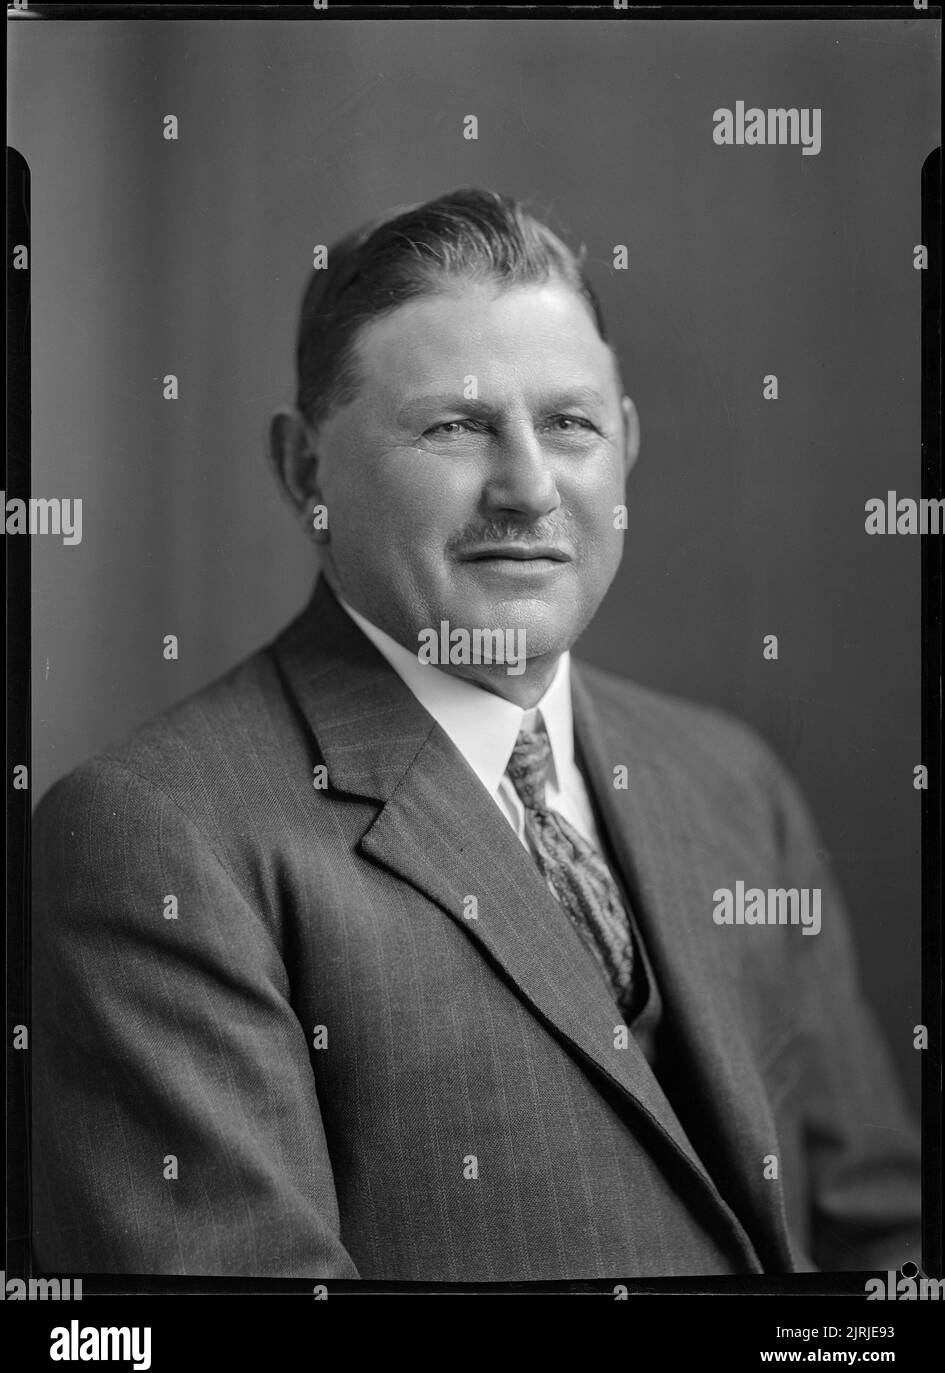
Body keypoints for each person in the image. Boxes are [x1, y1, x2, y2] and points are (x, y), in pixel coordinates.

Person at [31, 188, 921, 1281]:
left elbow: (878, 1240)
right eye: (455, 426)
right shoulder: (153, 842)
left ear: (625, 448)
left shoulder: (731, 781)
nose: (530, 487)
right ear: (305, 471)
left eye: (570, 423)